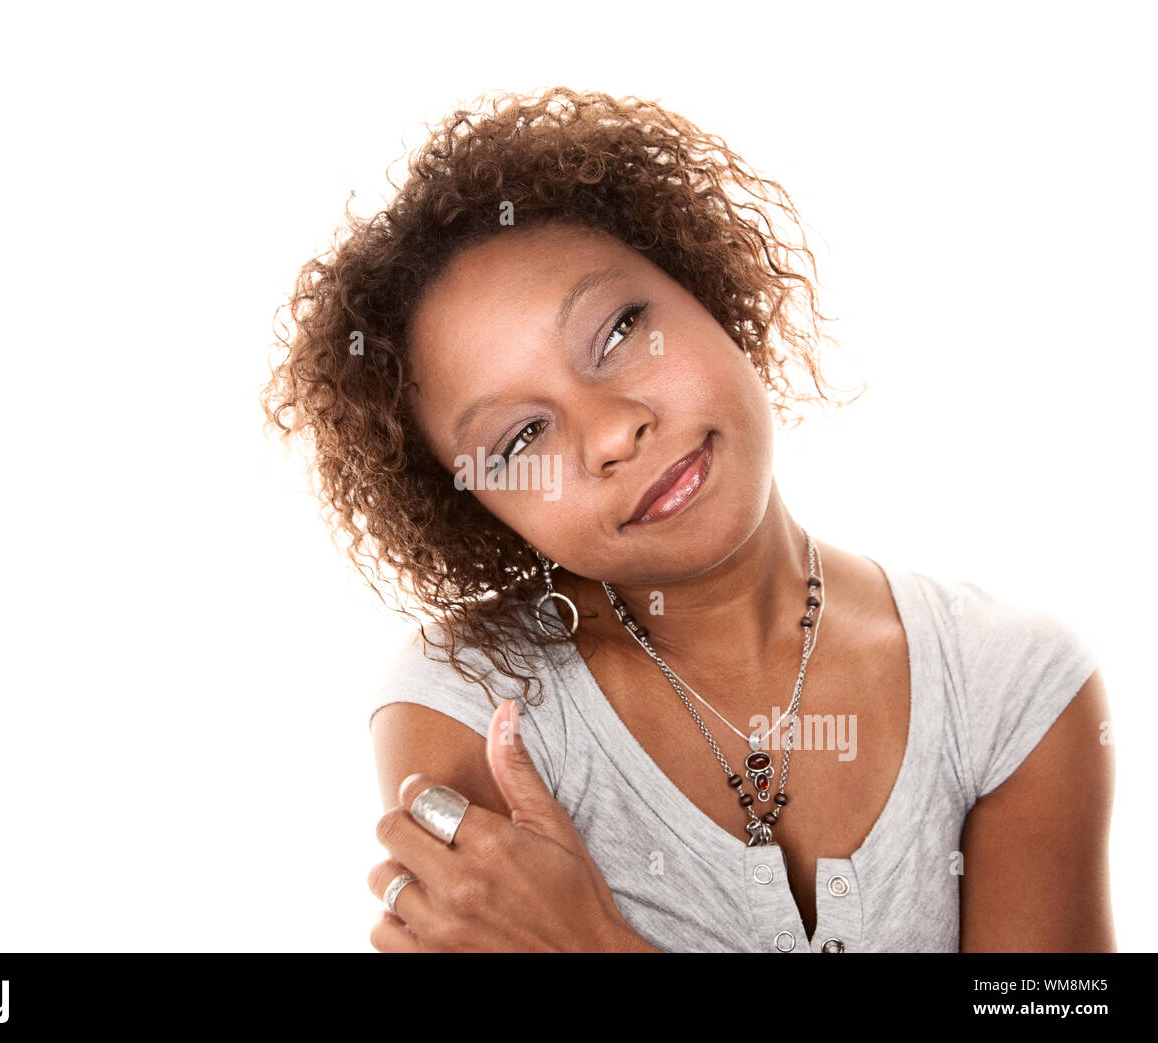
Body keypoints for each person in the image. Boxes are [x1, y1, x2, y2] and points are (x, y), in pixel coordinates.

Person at [260, 87, 1115, 953]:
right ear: (475, 508)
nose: (611, 430)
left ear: (706, 288)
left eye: (621, 328)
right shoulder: (474, 705)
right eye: (522, 436)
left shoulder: (1009, 684)